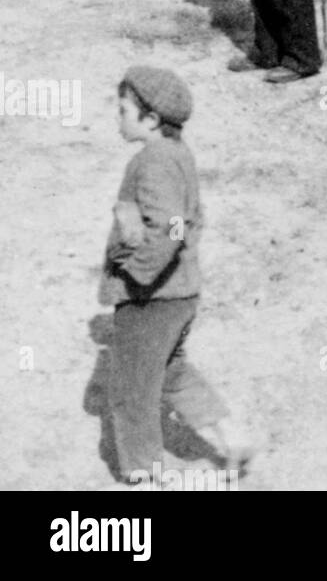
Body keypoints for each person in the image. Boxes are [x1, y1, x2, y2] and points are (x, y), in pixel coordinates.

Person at [101, 65, 252, 484]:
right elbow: (187, 221)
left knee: (132, 388)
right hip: (182, 292)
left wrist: (137, 270)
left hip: (152, 297)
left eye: (123, 110)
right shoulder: (179, 154)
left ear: (150, 119)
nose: (118, 118)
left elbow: (170, 227)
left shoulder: (153, 162)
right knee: (171, 372)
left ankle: (146, 471)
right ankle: (228, 432)